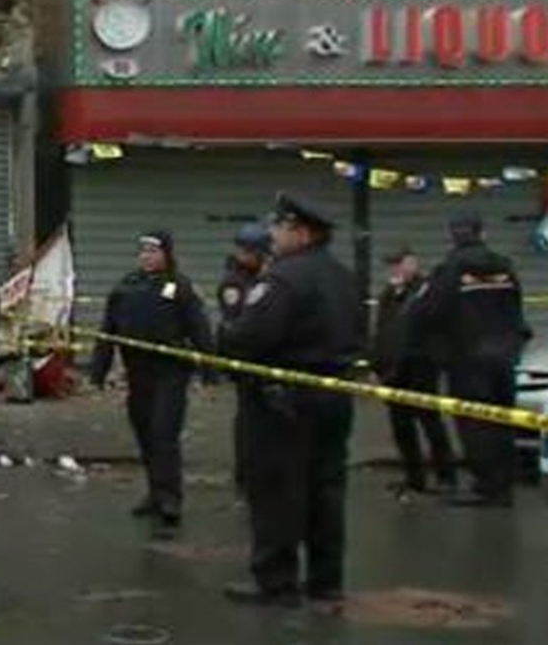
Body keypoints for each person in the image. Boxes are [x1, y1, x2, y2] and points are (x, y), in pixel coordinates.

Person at [220, 193, 359, 608]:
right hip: (335, 397)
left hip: (283, 403)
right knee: (326, 490)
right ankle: (325, 580)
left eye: (279, 229)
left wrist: (225, 336)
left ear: (300, 232)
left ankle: (276, 582)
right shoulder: (343, 276)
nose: (273, 237)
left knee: (278, 490)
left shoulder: (284, 278)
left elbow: (249, 336)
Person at [90, 230, 212, 539]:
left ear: (167, 254)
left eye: (153, 251)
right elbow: (108, 332)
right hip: (138, 373)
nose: (147, 256)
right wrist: (98, 371)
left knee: (163, 433)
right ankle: (155, 491)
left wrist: (210, 367)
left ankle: (171, 498)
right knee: (145, 433)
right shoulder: (126, 287)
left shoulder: (178, 286)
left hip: (170, 373)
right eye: (143, 251)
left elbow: (199, 327)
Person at [406, 213, 532, 508]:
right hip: (503, 358)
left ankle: (485, 486)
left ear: (453, 235)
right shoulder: (506, 267)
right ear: (483, 233)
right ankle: (503, 485)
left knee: (474, 422)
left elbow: (426, 313)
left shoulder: (448, 270)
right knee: (503, 419)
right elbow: (517, 310)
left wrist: (431, 351)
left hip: (467, 358)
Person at [373, 247, 456, 497]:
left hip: (420, 366)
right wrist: (376, 364)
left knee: (430, 421)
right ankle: (414, 477)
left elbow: (431, 324)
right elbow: (383, 331)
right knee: (401, 426)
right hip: (394, 370)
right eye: (392, 265)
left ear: (413, 263)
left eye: (400, 263)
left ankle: (446, 477)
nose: (395, 269)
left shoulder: (426, 291)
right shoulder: (389, 294)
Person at [218, 224, 270, 497]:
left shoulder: (263, 275)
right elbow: (239, 318)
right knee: (249, 418)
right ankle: (245, 473)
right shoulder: (234, 282)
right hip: (244, 359)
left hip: (263, 358)